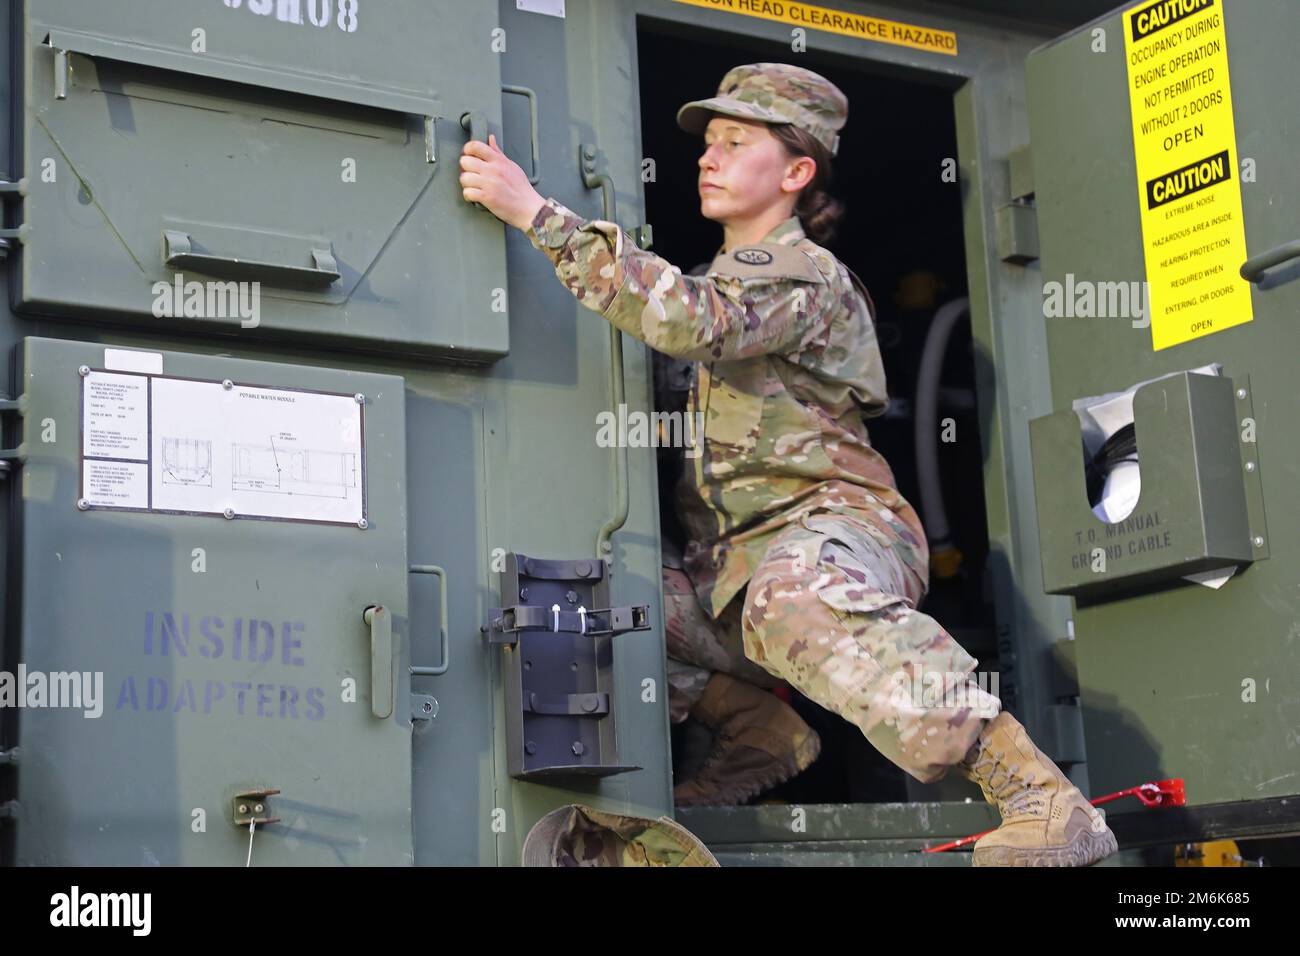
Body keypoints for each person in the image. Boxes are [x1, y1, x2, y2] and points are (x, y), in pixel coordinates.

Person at [460, 62, 1118, 866]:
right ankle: (757, 730)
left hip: (838, 534)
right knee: (613, 605)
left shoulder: (801, 273)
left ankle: (1040, 797)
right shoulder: (718, 280)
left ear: (798, 173)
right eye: (708, 142)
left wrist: (536, 215)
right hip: (734, 569)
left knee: (791, 596)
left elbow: (690, 320)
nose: (709, 157)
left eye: (737, 142)